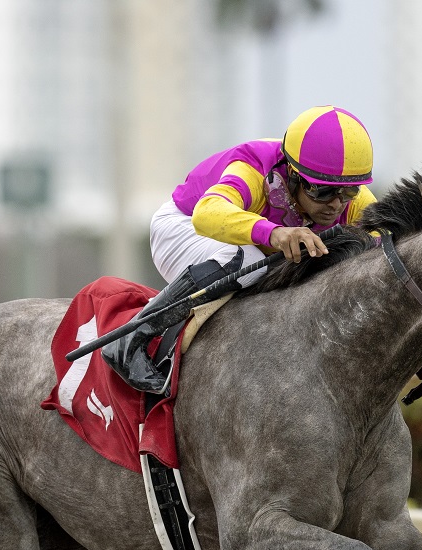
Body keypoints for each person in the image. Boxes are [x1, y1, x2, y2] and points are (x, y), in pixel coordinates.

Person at [101, 105, 379, 394]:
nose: (336, 204)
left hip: (233, 247)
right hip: (181, 229)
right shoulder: (252, 168)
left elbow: (384, 264)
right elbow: (206, 214)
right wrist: (275, 233)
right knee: (251, 259)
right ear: (294, 175)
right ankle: (131, 339)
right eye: (322, 191)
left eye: (348, 191)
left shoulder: (353, 203)